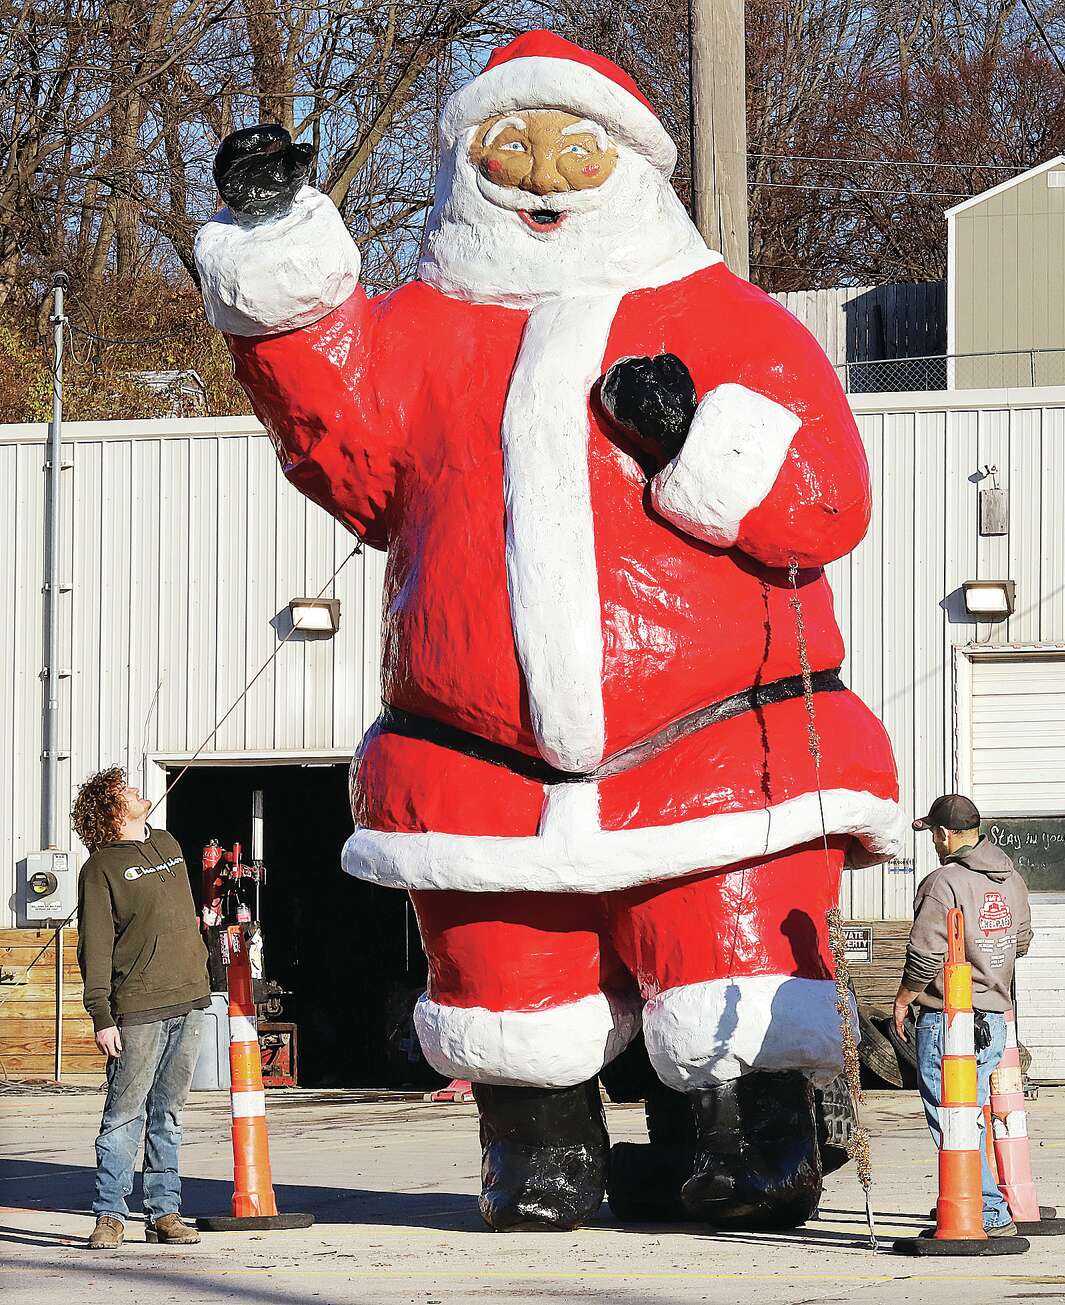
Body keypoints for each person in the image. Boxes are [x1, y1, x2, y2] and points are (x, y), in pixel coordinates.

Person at [192, 31, 905, 1232]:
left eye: (575, 150)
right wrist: (275, 250)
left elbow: (826, 502)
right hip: (477, 757)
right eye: (510, 149)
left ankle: (751, 1140)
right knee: (507, 976)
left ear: (629, 163)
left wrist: (694, 444)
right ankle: (541, 1155)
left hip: (718, 744)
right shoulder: (421, 330)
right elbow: (347, 453)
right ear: (468, 165)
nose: (542, 177)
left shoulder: (730, 321)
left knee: (728, 964)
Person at [73, 767, 211, 1250]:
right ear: (111, 813)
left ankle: (164, 1213)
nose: (136, 790)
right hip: (138, 1008)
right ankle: (110, 1215)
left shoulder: (168, 844)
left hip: (191, 998)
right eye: (124, 791)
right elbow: (95, 946)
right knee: (124, 1114)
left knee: (168, 1113)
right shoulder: (100, 869)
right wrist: (101, 1016)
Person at [893, 793, 1032, 1237]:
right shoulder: (1011, 878)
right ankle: (975, 1198)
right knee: (971, 1113)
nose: (934, 841)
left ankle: (989, 1211)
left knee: (951, 1115)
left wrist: (904, 998)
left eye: (934, 833)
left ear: (944, 834)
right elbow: (1022, 940)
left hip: (950, 1021)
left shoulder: (943, 883)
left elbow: (926, 953)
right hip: (992, 1018)